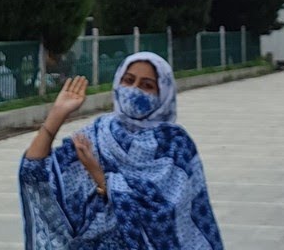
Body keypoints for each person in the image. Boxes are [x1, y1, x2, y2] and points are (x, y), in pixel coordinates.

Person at [19, 52, 223, 249]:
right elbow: (33, 173)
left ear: (163, 93)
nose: (134, 90)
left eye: (147, 85)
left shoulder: (175, 145)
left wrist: (102, 180)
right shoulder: (96, 134)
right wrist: (58, 114)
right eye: (129, 80)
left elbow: (168, 220)